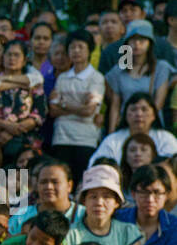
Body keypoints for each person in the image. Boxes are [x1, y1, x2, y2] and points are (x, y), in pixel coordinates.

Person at [62, 165, 143, 245]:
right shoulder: (70, 233)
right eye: (93, 196)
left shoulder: (128, 231)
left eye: (107, 197)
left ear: (116, 202)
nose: (99, 202)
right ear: (84, 201)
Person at [47, 29, 106, 182]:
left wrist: (64, 104)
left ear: (89, 50)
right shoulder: (62, 78)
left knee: (82, 181)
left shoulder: (96, 78)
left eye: (80, 47)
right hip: (61, 137)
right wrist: (79, 105)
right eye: (72, 47)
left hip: (85, 139)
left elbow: (89, 110)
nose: (76, 51)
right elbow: (53, 111)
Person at [104, 20, 174, 133]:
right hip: (125, 126)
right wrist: (112, 133)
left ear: (150, 43)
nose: (137, 44)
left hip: (152, 127)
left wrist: (144, 123)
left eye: (142, 40)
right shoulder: (119, 70)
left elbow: (158, 104)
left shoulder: (161, 68)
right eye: (133, 40)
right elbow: (115, 105)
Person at [89, 93, 177, 166]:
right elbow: (96, 165)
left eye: (144, 109)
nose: (138, 114)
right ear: (125, 115)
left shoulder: (166, 139)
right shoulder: (113, 140)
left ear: (154, 115)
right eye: (133, 109)